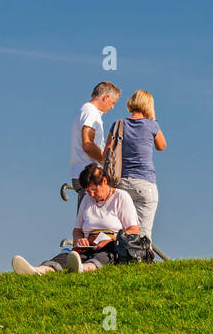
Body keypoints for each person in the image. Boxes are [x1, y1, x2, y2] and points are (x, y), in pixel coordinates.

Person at [12, 163, 138, 275]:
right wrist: (79, 240)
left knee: (105, 255)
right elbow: (77, 230)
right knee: (67, 255)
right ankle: (40, 270)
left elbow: (133, 230)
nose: (91, 194)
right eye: (88, 191)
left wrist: (111, 240)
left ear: (104, 181)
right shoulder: (87, 199)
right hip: (88, 244)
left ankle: (84, 268)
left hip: (111, 244)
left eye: (94, 190)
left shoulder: (121, 197)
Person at [108, 89, 166, 242]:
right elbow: (162, 145)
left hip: (121, 184)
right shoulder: (151, 125)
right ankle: (143, 262)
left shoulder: (118, 125)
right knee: (144, 234)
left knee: (121, 231)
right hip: (144, 183)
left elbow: (107, 152)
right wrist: (153, 119)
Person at [69, 82, 120, 208]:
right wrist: (105, 160)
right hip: (89, 176)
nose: (112, 107)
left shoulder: (88, 111)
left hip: (85, 173)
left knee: (90, 222)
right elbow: (87, 144)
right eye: (113, 102)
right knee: (90, 223)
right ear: (106, 97)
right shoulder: (90, 112)